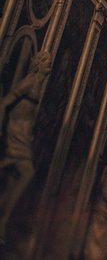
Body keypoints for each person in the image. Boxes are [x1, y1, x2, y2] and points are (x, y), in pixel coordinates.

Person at [0, 48, 52, 243]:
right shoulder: (30, 81)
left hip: (22, 138)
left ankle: (3, 214)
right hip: (14, 134)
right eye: (47, 63)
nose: (49, 67)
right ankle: (3, 217)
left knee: (21, 172)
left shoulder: (37, 83)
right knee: (26, 172)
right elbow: (5, 103)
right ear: (39, 64)